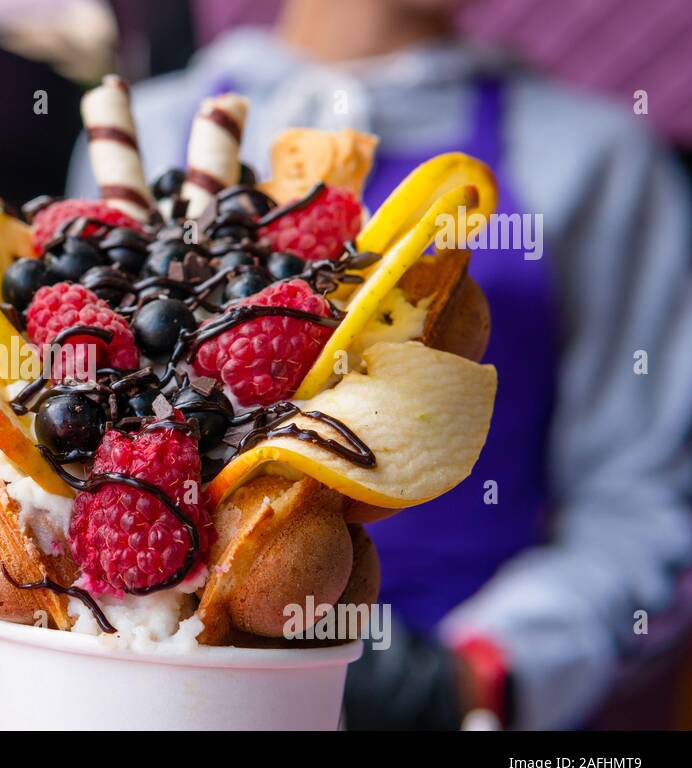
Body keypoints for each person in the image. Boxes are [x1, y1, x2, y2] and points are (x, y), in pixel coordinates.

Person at [68, 0, 692, 729]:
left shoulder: (597, 157)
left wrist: (479, 673)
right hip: (161, 680)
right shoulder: (150, 130)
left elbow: (643, 501)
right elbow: (81, 439)